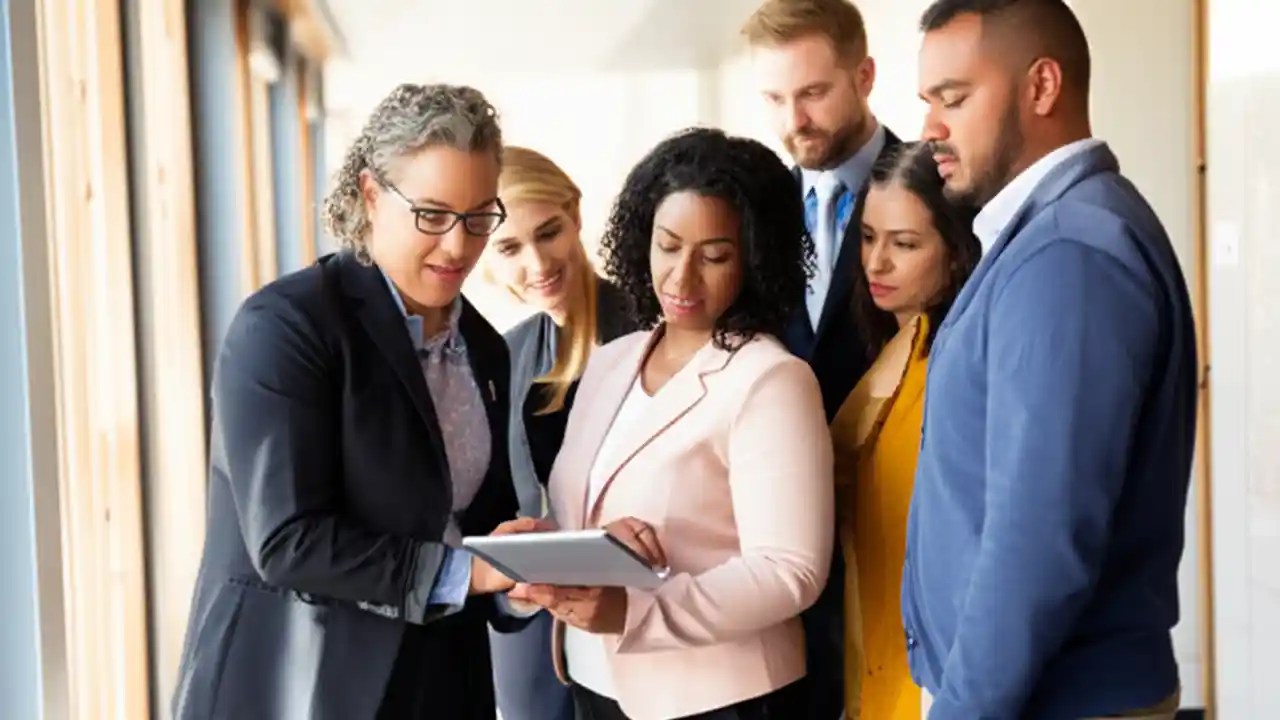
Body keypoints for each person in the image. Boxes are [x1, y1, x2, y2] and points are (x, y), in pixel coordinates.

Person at [170, 83, 545, 720]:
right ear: (372, 196)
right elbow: (290, 541)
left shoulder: (485, 346)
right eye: (432, 214)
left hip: (444, 684)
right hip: (303, 683)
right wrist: (466, 574)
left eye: (480, 216)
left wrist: (523, 578)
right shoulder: (285, 327)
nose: (458, 246)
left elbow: (478, 526)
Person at [904, 2, 1197, 719]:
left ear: (1041, 88)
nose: (929, 130)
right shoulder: (1051, 235)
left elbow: (1038, 538)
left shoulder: (1069, 253)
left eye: (954, 98)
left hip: (1054, 700)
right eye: (928, 103)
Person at [509, 127, 835, 720]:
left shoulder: (770, 380)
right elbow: (585, 512)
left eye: (715, 256)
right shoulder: (611, 362)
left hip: (719, 699)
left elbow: (792, 571)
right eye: (668, 246)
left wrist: (632, 610)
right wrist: (540, 548)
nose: (682, 280)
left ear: (755, 259)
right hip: (594, 684)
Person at [740, 2, 901, 713]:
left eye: (812, 93)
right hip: (783, 535)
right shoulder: (758, 208)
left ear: (864, 76)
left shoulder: (933, 190)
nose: (792, 120)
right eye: (774, 98)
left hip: (897, 519)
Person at [479, 146, 637, 720]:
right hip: (536, 650)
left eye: (548, 233)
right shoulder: (506, 356)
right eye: (509, 248)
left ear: (575, 215)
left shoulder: (652, 330)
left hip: (639, 634)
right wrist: (511, 587)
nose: (537, 264)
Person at [828, 141, 980, 720]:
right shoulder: (898, 349)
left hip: (939, 677)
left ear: (957, 251)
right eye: (867, 237)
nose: (875, 264)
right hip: (875, 660)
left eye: (905, 244)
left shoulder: (956, 366)